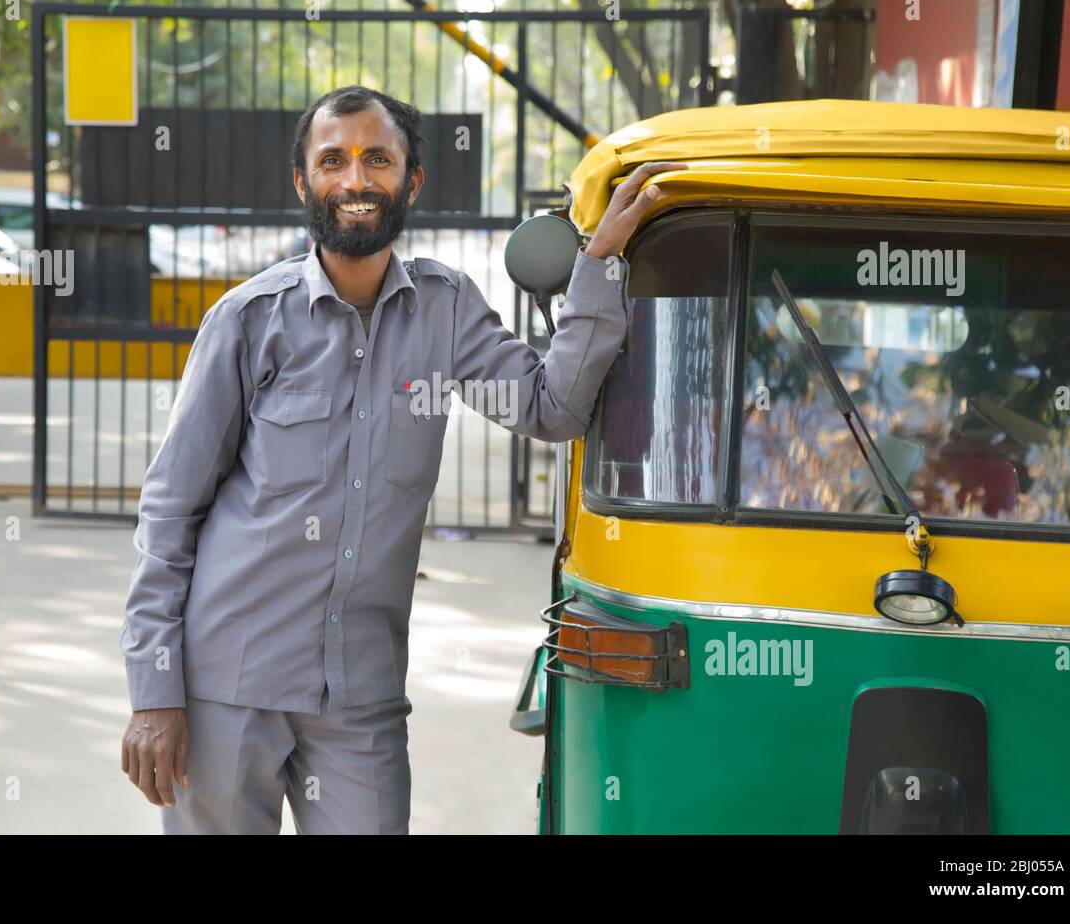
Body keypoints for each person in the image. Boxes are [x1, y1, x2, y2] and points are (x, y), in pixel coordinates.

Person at [118, 84, 681, 833]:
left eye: (376, 159)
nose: (356, 180)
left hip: (362, 696)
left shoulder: (445, 310)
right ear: (304, 182)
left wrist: (602, 261)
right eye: (334, 161)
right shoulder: (249, 321)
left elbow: (551, 408)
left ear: (411, 180)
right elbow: (170, 510)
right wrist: (155, 692)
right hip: (230, 683)